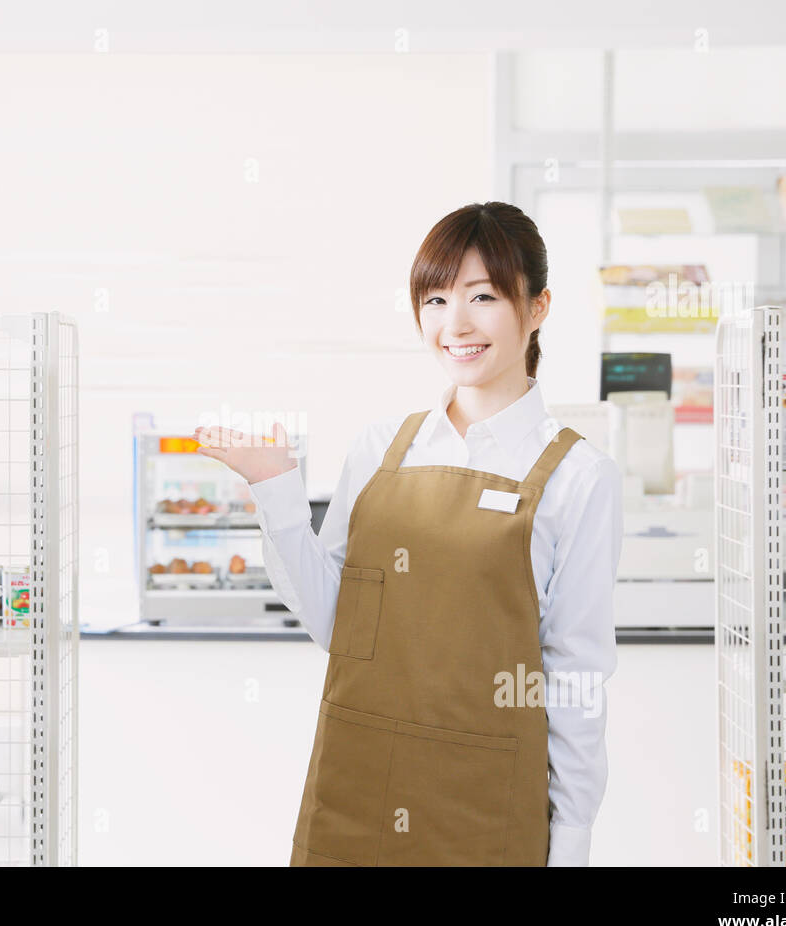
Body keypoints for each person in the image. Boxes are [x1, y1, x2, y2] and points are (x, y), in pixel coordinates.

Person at [193, 201, 622, 866]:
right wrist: (276, 491)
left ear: (537, 308)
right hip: (357, 787)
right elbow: (337, 624)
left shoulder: (579, 477)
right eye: (436, 298)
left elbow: (574, 676)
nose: (456, 325)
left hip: (489, 803)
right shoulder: (378, 450)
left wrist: (571, 843)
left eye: (483, 297)